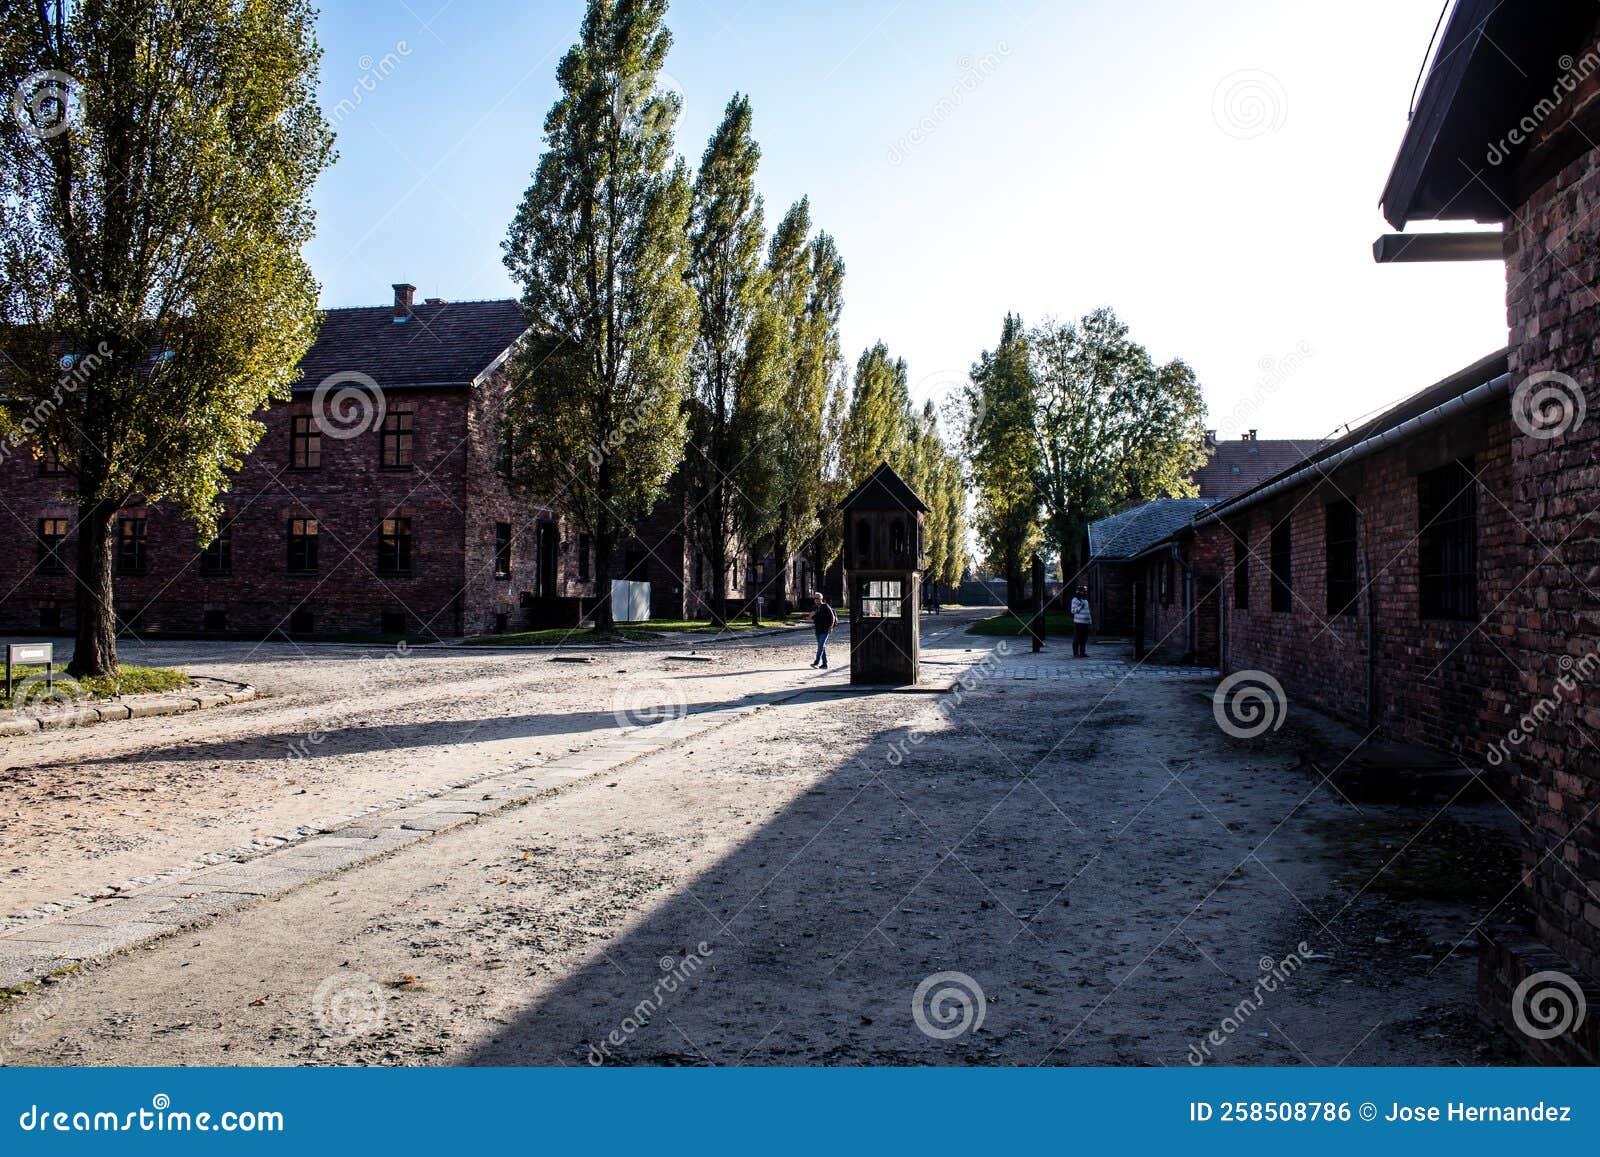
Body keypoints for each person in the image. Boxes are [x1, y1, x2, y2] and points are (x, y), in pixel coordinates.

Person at [810, 593, 836, 669]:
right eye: (815, 598)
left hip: (825, 630)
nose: (816, 600)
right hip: (818, 630)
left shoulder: (825, 606)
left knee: (820, 646)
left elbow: (833, 617)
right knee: (822, 647)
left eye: (818, 598)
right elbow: (810, 618)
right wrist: (811, 615)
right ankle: (825, 664)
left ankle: (816, 663)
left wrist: (831, 627)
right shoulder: (815, 608)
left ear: (821, 599)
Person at [1070, 585, 1093, 658]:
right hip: (1079, 622)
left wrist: (1089, 621)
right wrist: (1080, 607)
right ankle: (1075, 653)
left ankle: (1082, 652)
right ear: (1079, 592)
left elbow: (1088, 612)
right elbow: (1073, 611)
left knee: (1084, 638)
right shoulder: (1075, 600)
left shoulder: (1085, 601)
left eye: (1085, 591)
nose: (1085, 593)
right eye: (1083, 591)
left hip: (1086, 622)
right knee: (1077, 638)